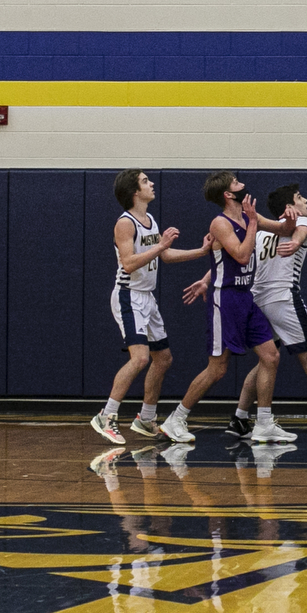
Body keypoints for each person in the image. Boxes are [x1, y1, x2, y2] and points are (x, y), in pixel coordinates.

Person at [168, 172, 298, 444]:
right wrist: (253, 224)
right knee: (217, 369)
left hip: (245, 298)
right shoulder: (220, 223)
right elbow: (240, 254)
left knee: (271, 356)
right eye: (236, 183)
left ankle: (263, 423)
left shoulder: (250, 216)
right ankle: (176, 419)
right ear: (228, 194)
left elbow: (284, 230)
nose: (242, 184)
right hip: (224, 300)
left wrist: (290, 216)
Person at [227, 184, 307, 445]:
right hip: (283, 299)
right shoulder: (302, 220)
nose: (306, 200)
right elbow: (301, 231)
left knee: (265, 361)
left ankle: (240, 418)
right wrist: (296, 243)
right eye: (300, 197)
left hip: (257, 300)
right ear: (290, 206)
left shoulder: (262, 233)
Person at [90, 169, 211, 445]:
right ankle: (106, 416)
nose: (151, 183)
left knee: (163, 358)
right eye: (145, 181)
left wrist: (201, 252)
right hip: (128, 295)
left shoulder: (150, 220)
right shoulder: (125, 223)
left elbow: (165, 255)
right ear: (134, 191)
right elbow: (129, 262)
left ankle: (145, 418)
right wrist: (160, 246)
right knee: (140, 358)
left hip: (147, 297)